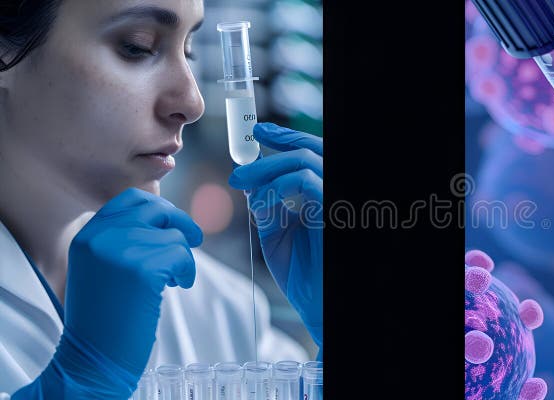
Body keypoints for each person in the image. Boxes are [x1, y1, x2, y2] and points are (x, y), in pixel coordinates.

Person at [0, 0, 323, 397]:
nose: (192, 103)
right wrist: (82, 383)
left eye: (188, 50)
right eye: (137, 47)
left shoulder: (217, 304)